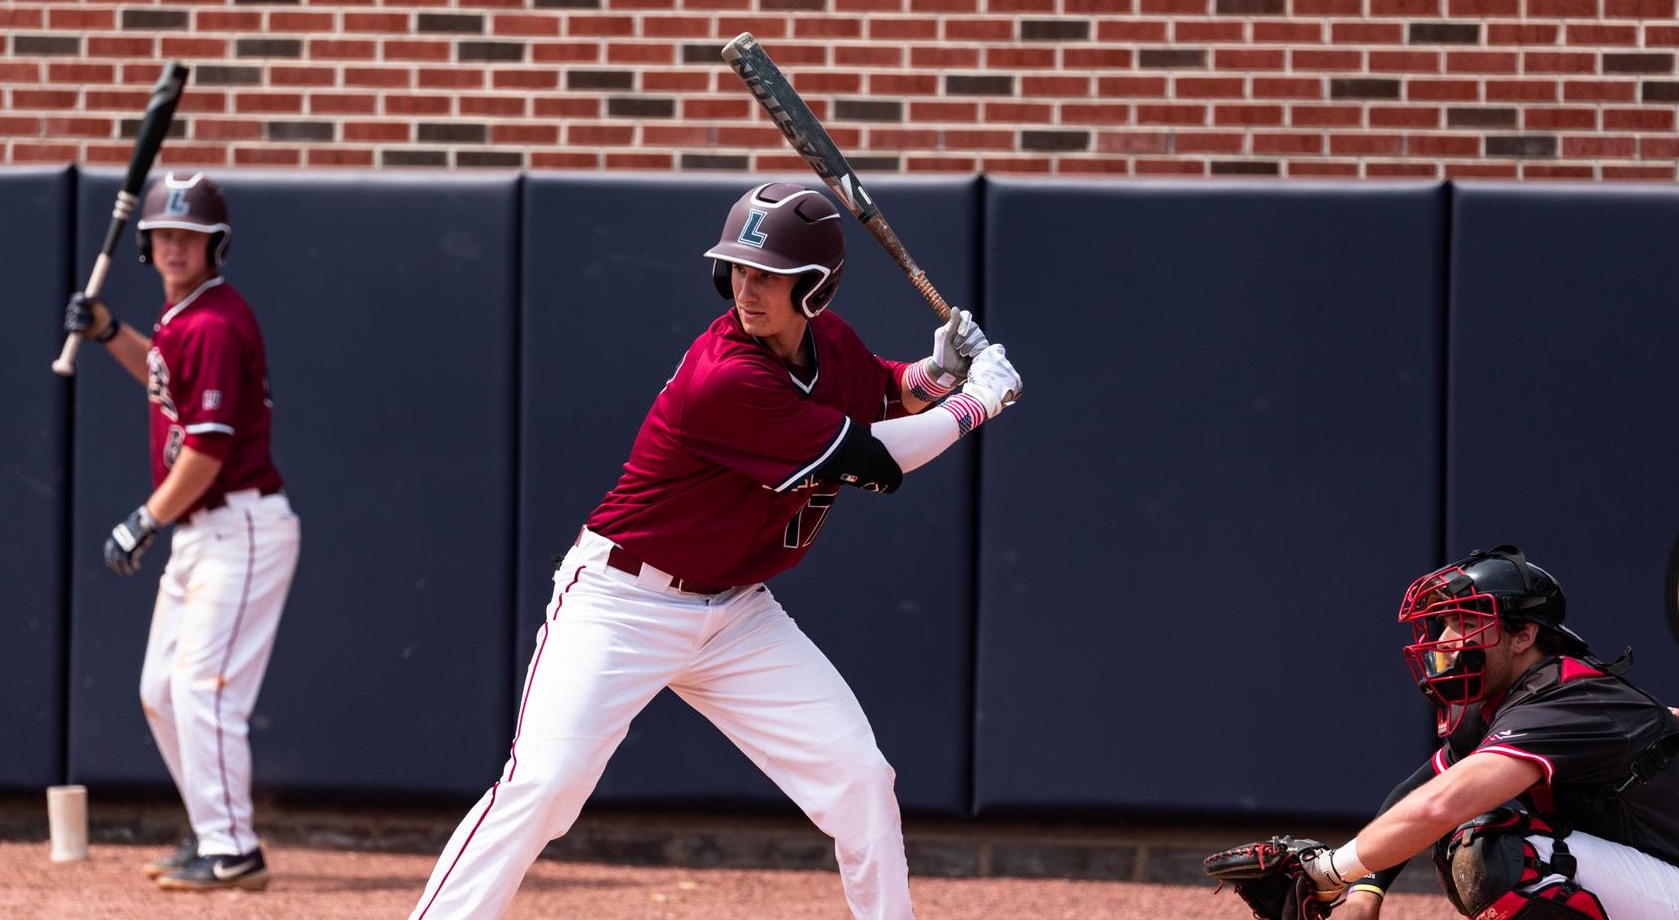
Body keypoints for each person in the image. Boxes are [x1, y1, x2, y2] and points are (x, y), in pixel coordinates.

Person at [407, 182, 1023, 920]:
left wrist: (938, 374)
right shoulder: (725, 377)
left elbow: (883, 391)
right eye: (737, 268)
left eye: (767, 274)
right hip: (624, 603)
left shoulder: (828, 342)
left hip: (737, 616)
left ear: (815, 288)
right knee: (545, 785)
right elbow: (873, 457)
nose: (746, 288)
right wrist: (977, 402)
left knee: (861, 779)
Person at [62, 171, 300, 892]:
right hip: (205, 531)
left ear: (213, 245)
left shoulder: (217, 322)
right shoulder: (183, 317)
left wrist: (146, 519)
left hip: (241, 527)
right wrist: (110, 333)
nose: (174, 247)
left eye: (188, 236)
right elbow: (166, 378)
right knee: (161, 689)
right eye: (164, 235)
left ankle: (234, 849)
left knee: (202, 687)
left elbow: (208, 449)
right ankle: (212, 828)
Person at [1268, 546, 1679, 919]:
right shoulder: (1504, 699)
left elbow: (1439, 805)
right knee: (1464, 841)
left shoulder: (1563, 698)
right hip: (1657, 871)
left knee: (1492, 846)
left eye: (1465, 622)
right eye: (1446, 623)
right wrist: (1364, 890)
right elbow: (1417, 793)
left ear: (1524, 636)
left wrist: (1328, 870)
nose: (1446, 641)